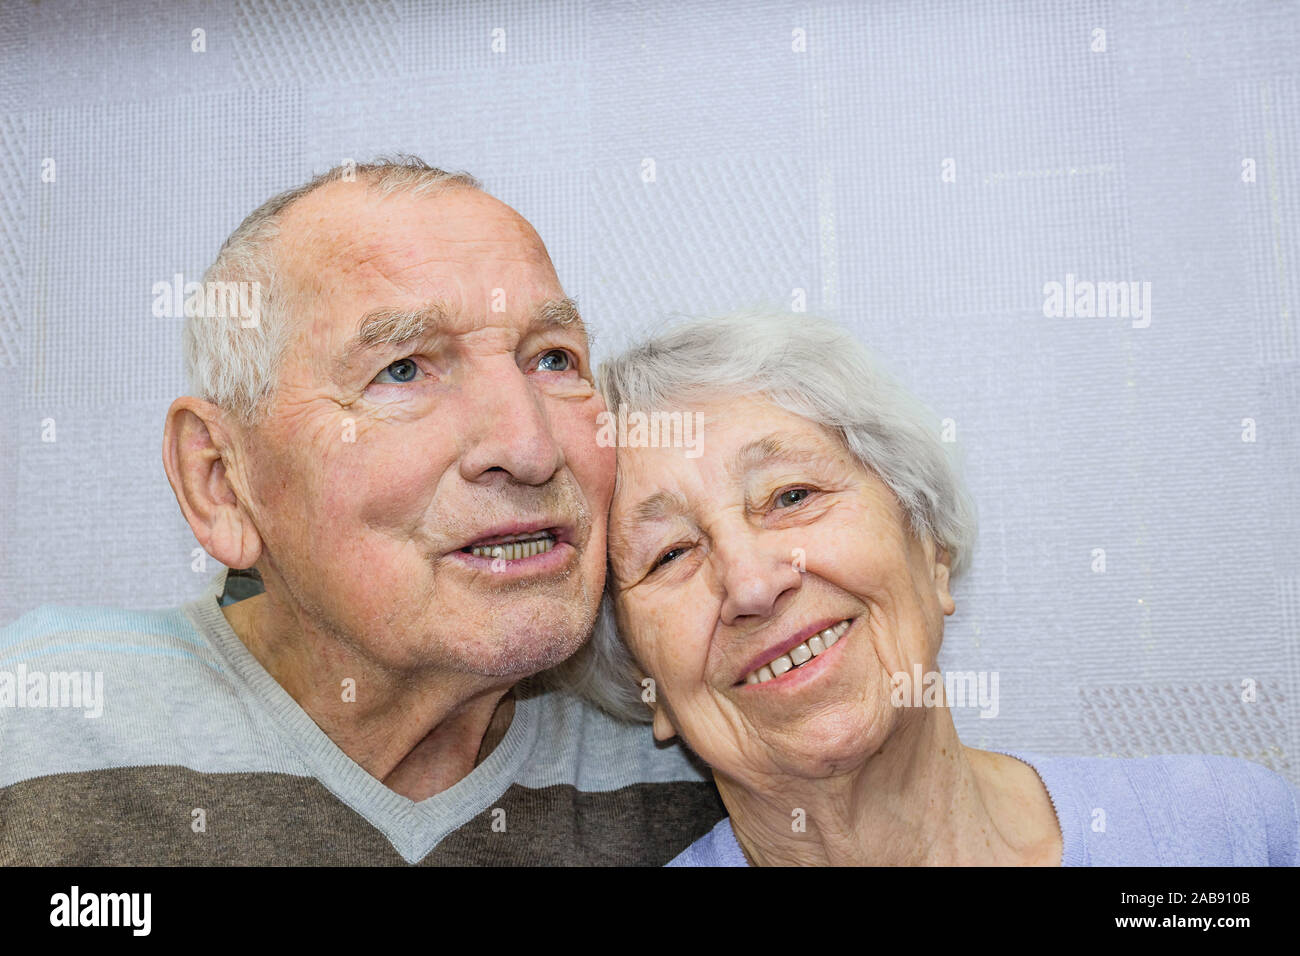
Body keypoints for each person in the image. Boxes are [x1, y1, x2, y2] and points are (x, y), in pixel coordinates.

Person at [0, 158, 723, 865]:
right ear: (221, 480)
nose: (528, 446)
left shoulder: (707, 744)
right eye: (402, 370)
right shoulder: (38, 723)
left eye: (553, 359)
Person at [592, 309, 1300, 866]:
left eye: (791, 495)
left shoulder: (1230, 834)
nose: (751, 583)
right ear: (641, 678)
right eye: (671, 554)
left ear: (930, 548)